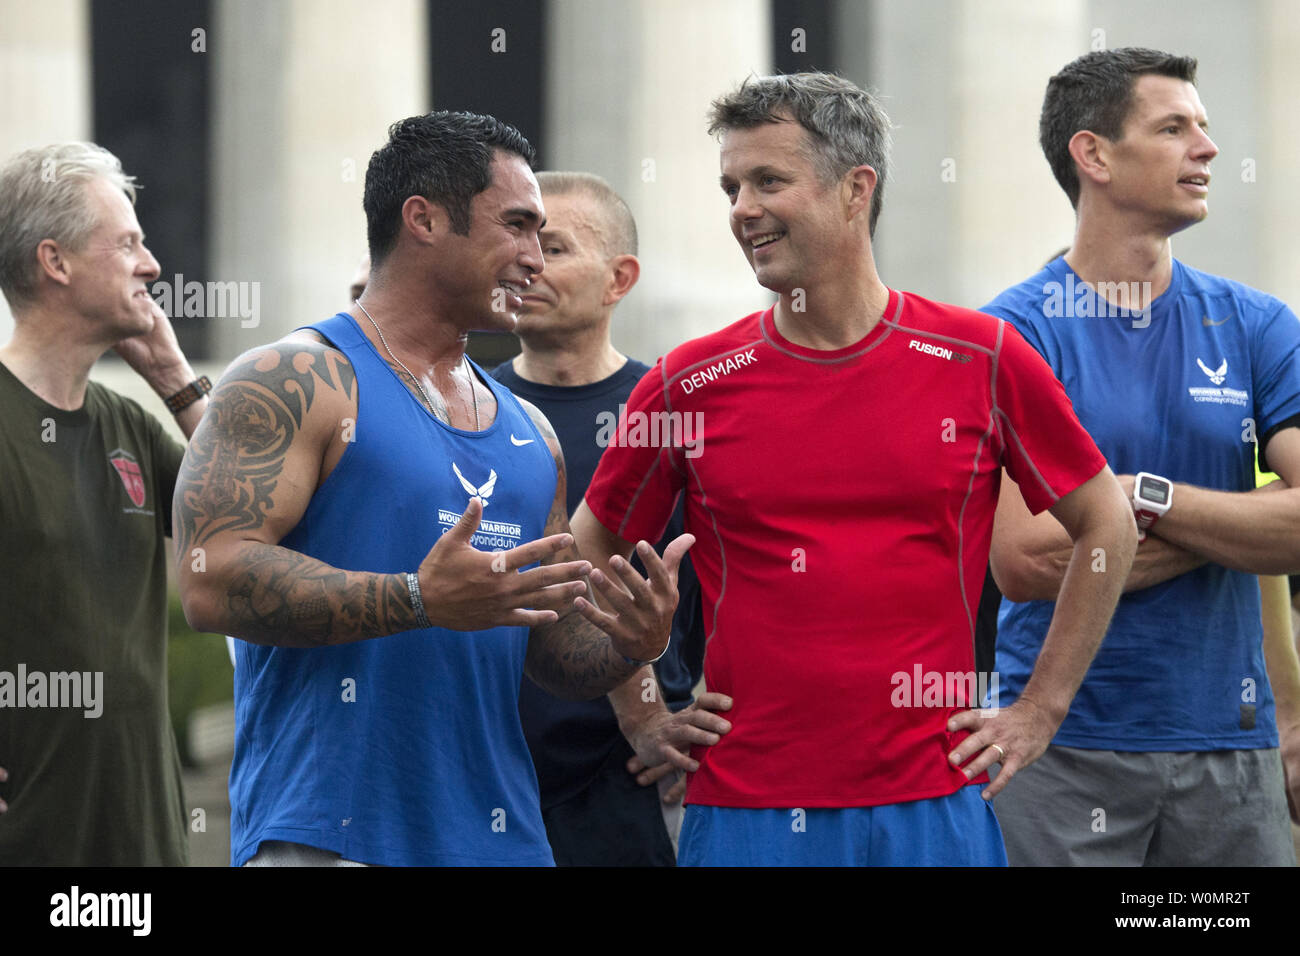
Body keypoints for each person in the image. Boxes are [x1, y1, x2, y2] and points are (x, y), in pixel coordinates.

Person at [570, 72, 1137, 866]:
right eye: (731, 186)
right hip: (747, 809)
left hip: (934, 803)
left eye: (769, 180)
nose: (741, 208)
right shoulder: (685, 382)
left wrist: (1041, 707)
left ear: (854, 189)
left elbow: (1106, 521)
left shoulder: (982, 357)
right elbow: (585, 551)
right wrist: (640, 708)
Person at [173, 110, 688, 867]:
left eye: (544, 236)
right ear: (424, 218)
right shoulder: (295, 378)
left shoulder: (529, 433)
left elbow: (546, 650)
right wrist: (416, 597)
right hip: (330, 835)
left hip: (504, 841)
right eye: (516, 226)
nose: (532, 259)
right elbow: (208, 581)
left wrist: (629, 644)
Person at [984, 47, 1300, 865]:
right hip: (1059, 751)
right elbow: (1022, 561)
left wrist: (1142, 499)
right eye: (1174, 128)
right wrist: (1232, 531)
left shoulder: (1260, 325)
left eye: (1204, 126)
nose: (1209, 148)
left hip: (1230, 749)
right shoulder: (1014, 334)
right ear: (1094, 155)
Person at [489, 171, 717, 865]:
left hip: (634, 780)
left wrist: (673, 715)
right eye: (519, 242)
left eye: (554, 247)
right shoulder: (466, 413)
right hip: (492, 767)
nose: (529, 264)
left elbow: (731, 591)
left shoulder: (674, 415)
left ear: (620, 278)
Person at [0, 142, 212, 864]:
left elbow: (258, 519)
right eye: (127, 244)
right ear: (55, 263)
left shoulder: (129, 423)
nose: (151, 266)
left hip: (144, 836)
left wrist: (177, 379)